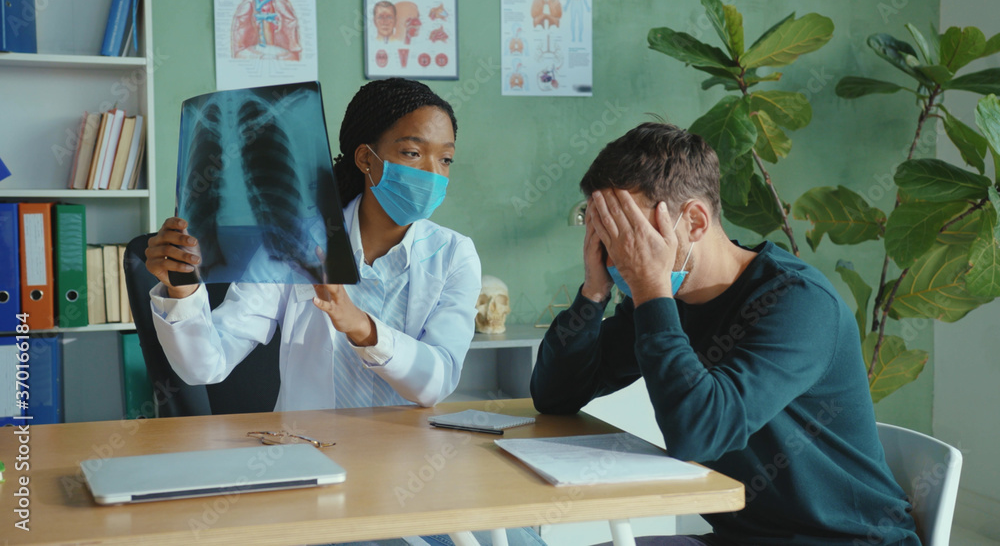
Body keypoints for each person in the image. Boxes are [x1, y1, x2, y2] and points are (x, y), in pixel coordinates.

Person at [530, 123, 920, 545]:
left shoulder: (799, 304)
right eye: (605, 233)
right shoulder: (666, 296)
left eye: (632, 234)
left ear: (694, 220)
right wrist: (594, 291)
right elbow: (556, 397)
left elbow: (699, 432)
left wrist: (650, 288)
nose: (621, 252)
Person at [145, 78, 481, 411]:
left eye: (445, 160)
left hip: (408, 454)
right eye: (412, 153)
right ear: (366, 158)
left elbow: (436, 382)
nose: (432, 173)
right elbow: (205, 365)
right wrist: (182, 291)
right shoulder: (293, 244)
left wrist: (362, 328)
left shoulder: (453, 255)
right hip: (309, 450)